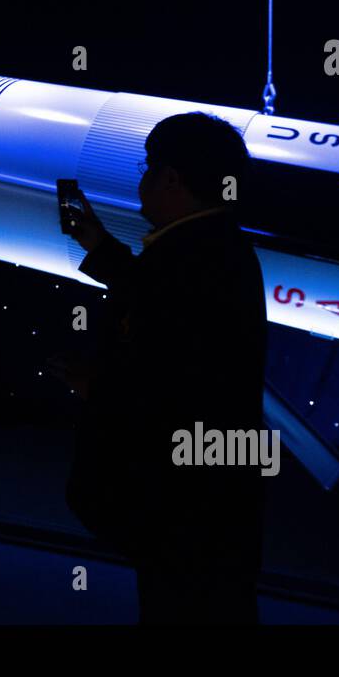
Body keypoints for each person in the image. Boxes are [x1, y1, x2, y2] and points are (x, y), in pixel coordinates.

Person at [64, 112, 267, 624]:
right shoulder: (216, 247)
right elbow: (167, 305)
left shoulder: (189, 256)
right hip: (207, 502)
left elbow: (172, 371)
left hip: (180, 507)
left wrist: (98, 389)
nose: (141, 181)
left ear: (172, 178)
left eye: (148, 167)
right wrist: (101, 248)